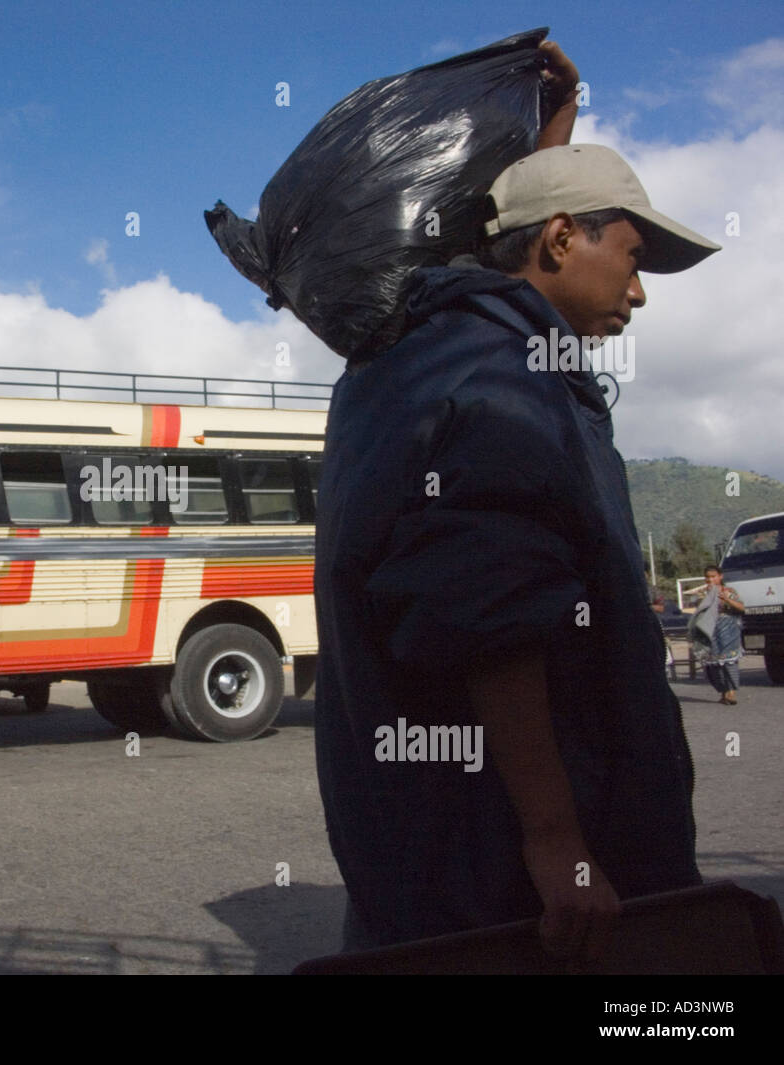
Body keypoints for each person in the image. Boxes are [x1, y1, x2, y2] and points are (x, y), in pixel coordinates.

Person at [314, 132, 721, 959]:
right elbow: (491, 613)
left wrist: (548, 134)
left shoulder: (409, 363)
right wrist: (556, 840)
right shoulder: (500, 376)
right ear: (563, 239)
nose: (639, 293)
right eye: (634, 258)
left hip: (433, 872)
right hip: (513, 896)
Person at [688, 565, 745, 704]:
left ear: (720, 577)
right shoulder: (701, 594)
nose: (710, 579)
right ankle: (723, 691)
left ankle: (731, 692)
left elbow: (741, 608)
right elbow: (697, 612)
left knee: (728, 661)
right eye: (707, 577)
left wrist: (727, 600)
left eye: (713, 576)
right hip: (709, 630)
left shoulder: (729, 591)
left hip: (728, 630)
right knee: (712, 663)